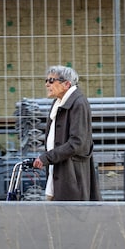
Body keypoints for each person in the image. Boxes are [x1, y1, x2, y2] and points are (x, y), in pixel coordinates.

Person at [32, 65, 100, 201]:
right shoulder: (58, 103)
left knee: (69, 216)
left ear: (66, 84)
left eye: (51, 81)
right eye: (46, 80)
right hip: (60, 169)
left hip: (72, 174)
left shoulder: (78, 104)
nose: (47, 84)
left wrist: (47, 157)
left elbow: (76, 143)